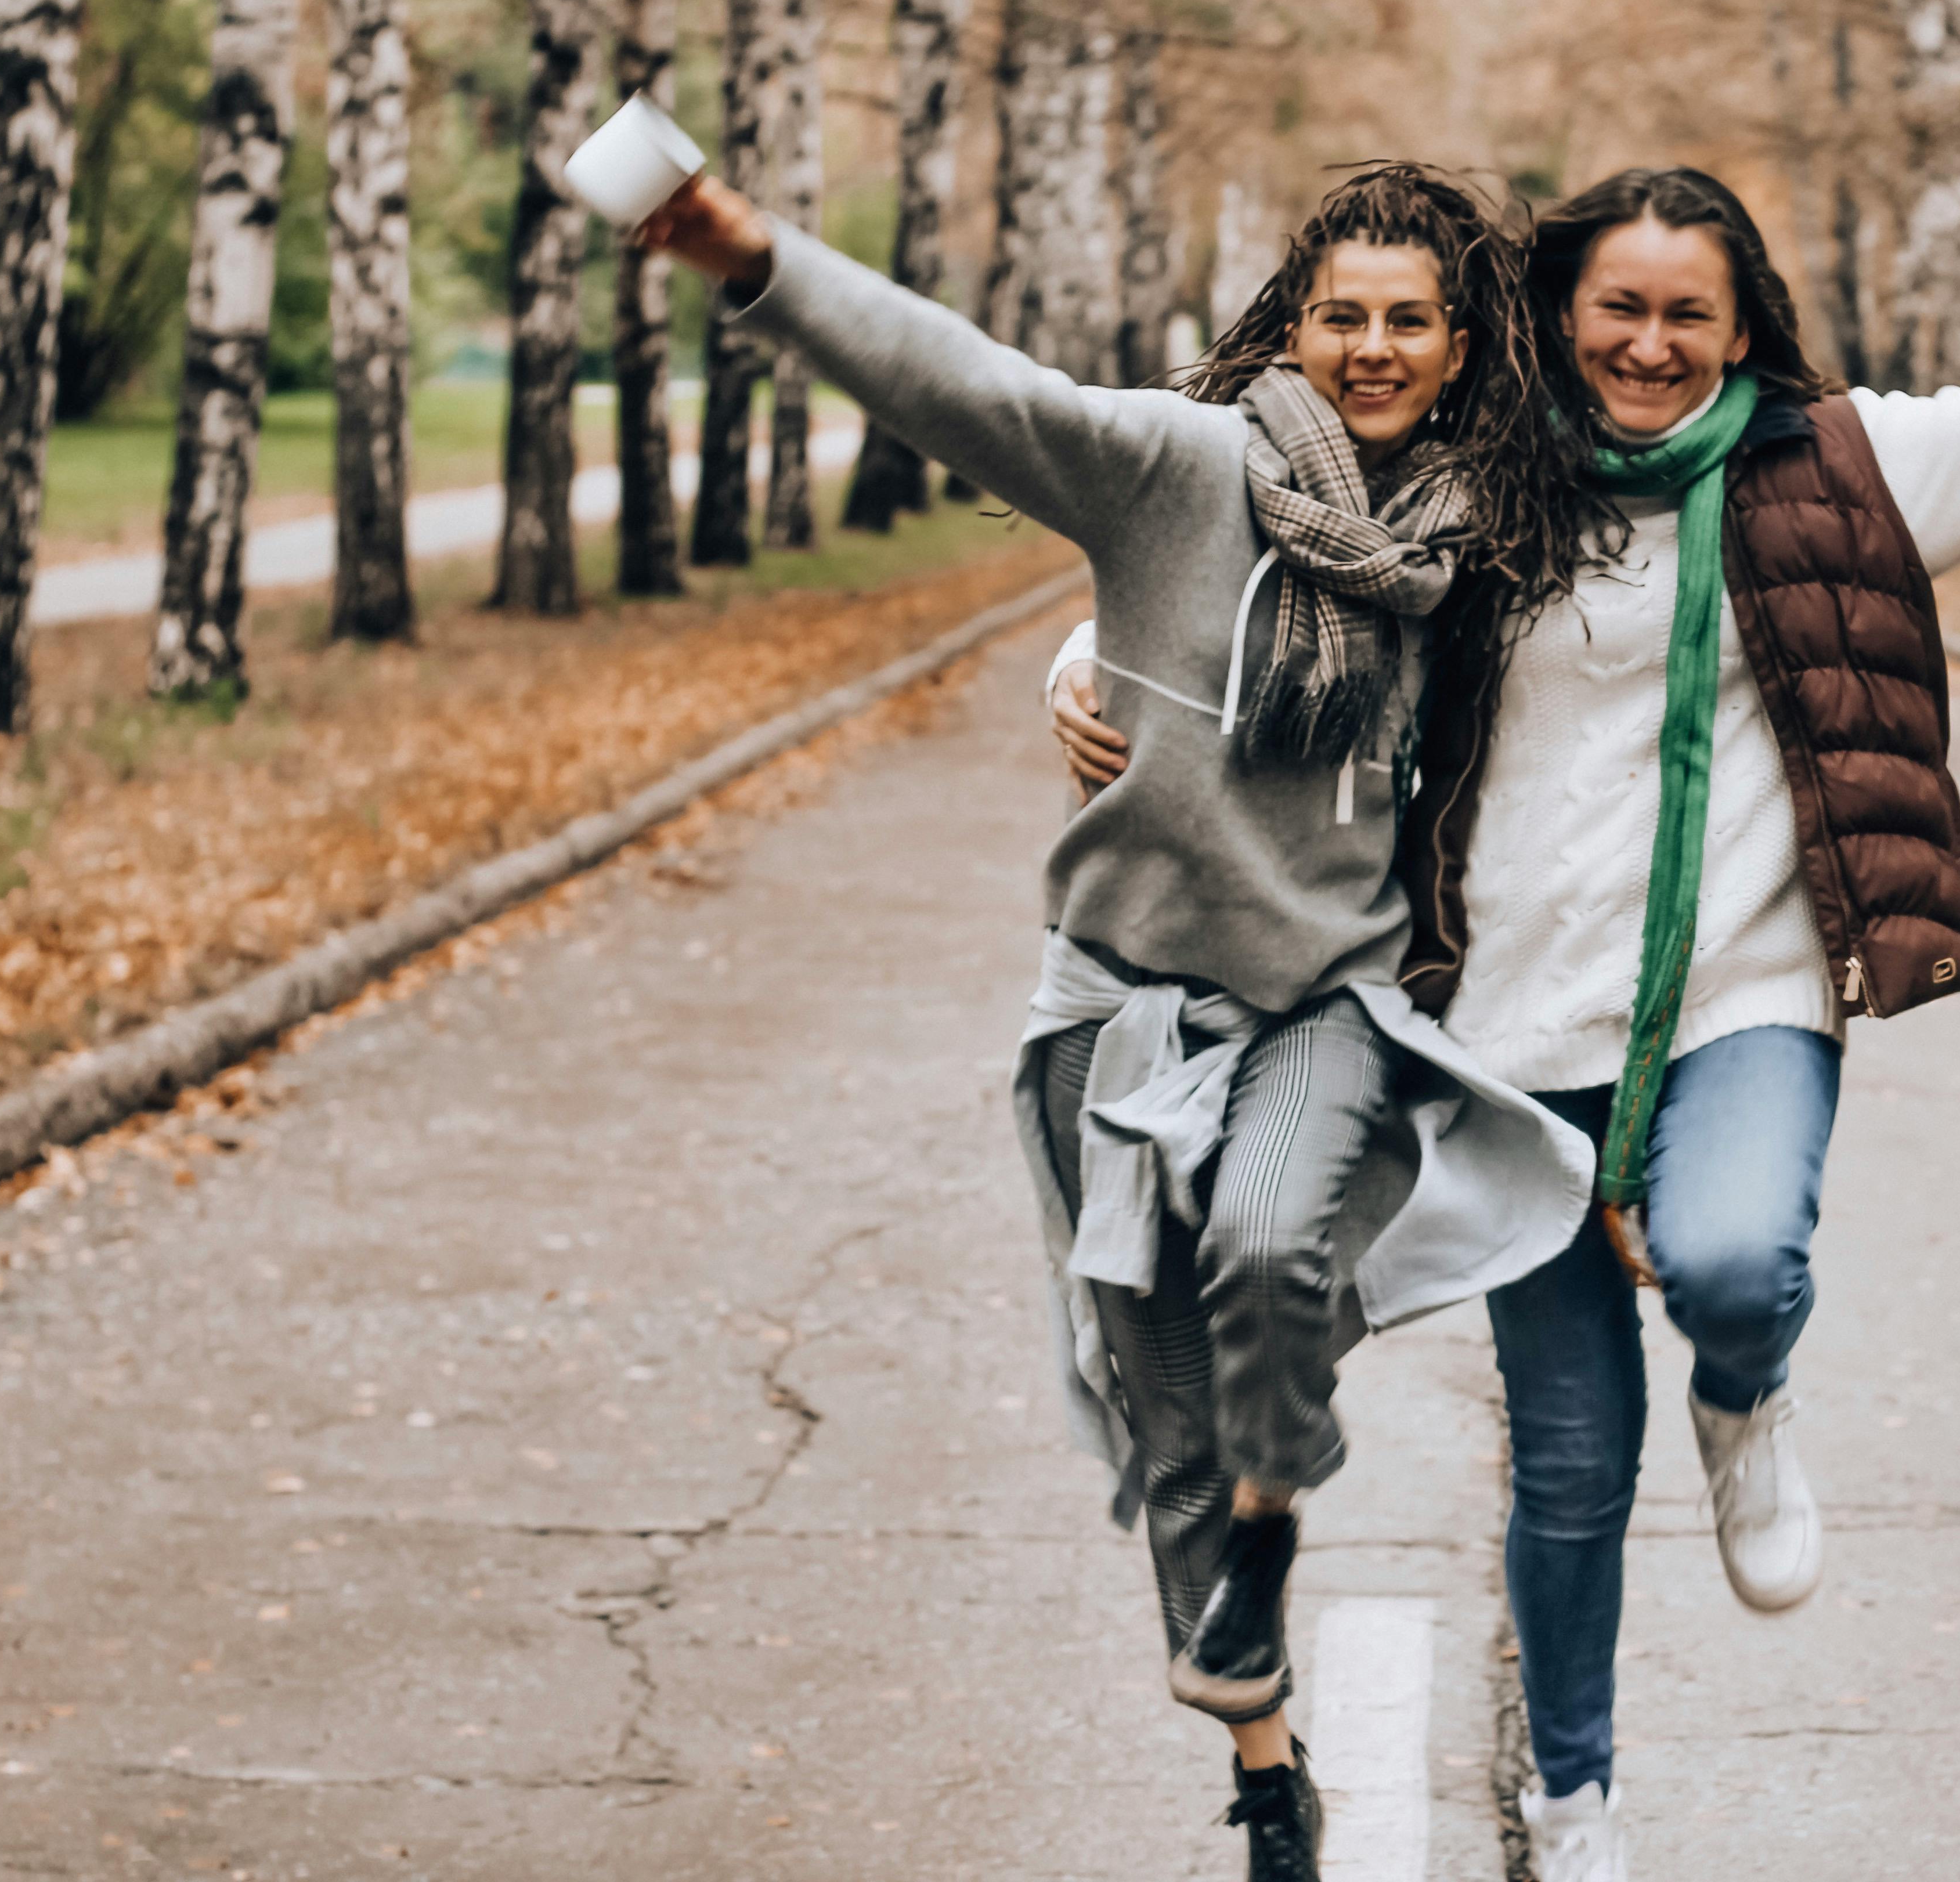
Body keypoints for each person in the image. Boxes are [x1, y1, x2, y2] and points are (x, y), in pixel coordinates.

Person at [1053, 165, 1960, 1881]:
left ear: (1744, 321)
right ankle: (1577, 1800)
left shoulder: (1842, 469)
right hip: (1514, 1043)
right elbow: (1238, 572)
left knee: (1737, 1256)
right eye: (1620, 307)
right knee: (1572, 1467)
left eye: (1691, 313)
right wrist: (1079, 684)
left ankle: (1748, 1401)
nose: (1652, 344)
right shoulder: (1492, 484)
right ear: (1558, 313)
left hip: (1740, 999)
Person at [633, 162, 1605, 1882]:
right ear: (1291, 332)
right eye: (1341, 318)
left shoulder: (1480, 541)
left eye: (1407, 323)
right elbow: (967, 383)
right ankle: (1264, 1769)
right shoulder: (1180, 470)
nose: (1372, 348)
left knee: (1267, 1243)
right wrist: (756, 259)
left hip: (1326, 1004)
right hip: (1120, 1007)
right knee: (1161, 1414)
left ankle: (1271, 1519)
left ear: (1459, 349)